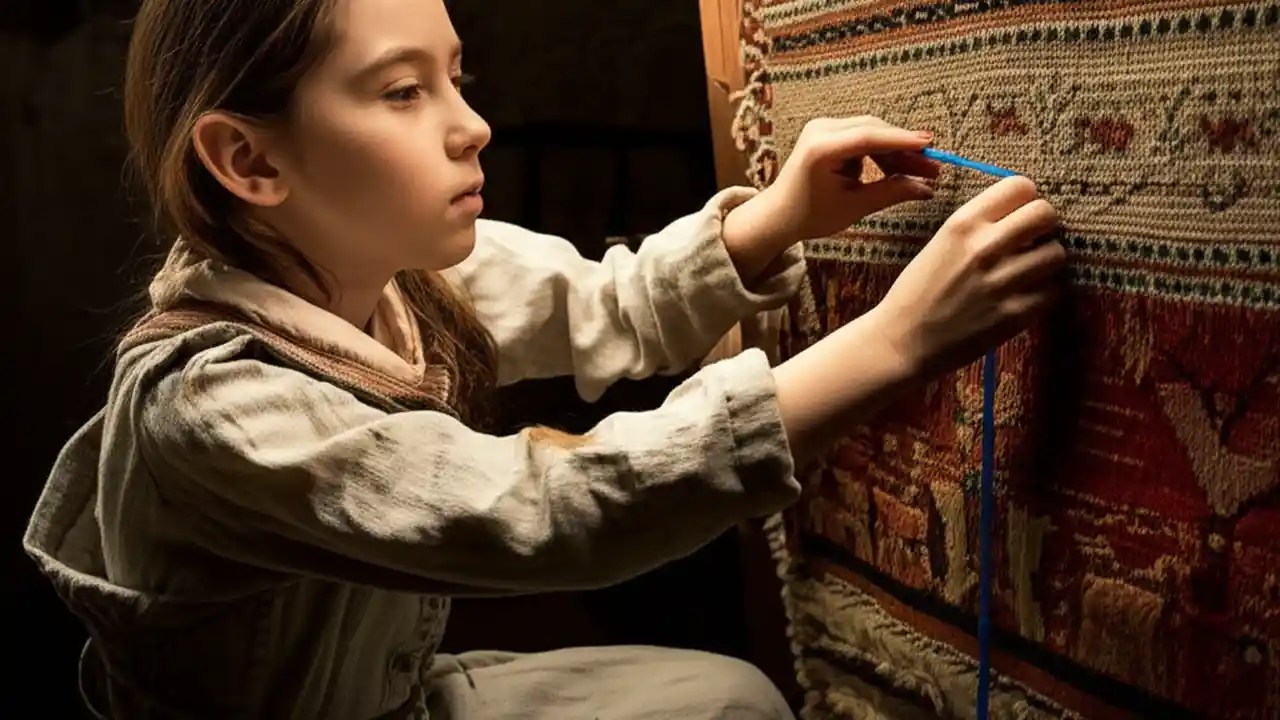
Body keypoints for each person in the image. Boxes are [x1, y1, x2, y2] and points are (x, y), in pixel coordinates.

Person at [22, 0, 1066, 717]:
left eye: (454, 78)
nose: (471, 125)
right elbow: (546, 514)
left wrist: (774, 219)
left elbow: (606, 303)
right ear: (250, 161)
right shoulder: (211, 413)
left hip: (395, 698)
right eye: (400, 92)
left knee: (731, 702)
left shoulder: (393, 269)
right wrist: (894, 343)